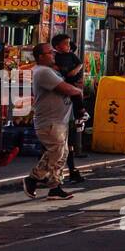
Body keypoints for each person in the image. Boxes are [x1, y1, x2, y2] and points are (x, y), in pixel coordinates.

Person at [23, 43, 81, 200]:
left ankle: (55, 187)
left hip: (59, 120)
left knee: (62, 154)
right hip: (49, 121)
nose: (54, 54)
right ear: (41, 56)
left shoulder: (50, 71)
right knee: (56, 152)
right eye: (50, 52)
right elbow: (67, 89)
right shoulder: (42, 72)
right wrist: (78, 91)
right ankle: (33, 178)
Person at [51, 34, 88, 185]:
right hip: (55, 113)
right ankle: (47, 178)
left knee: (68, 143)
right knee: (56, 147)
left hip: (68, 109)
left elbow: (77, 69)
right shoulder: (47, 71)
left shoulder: (71, 57)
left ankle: (70, 172)